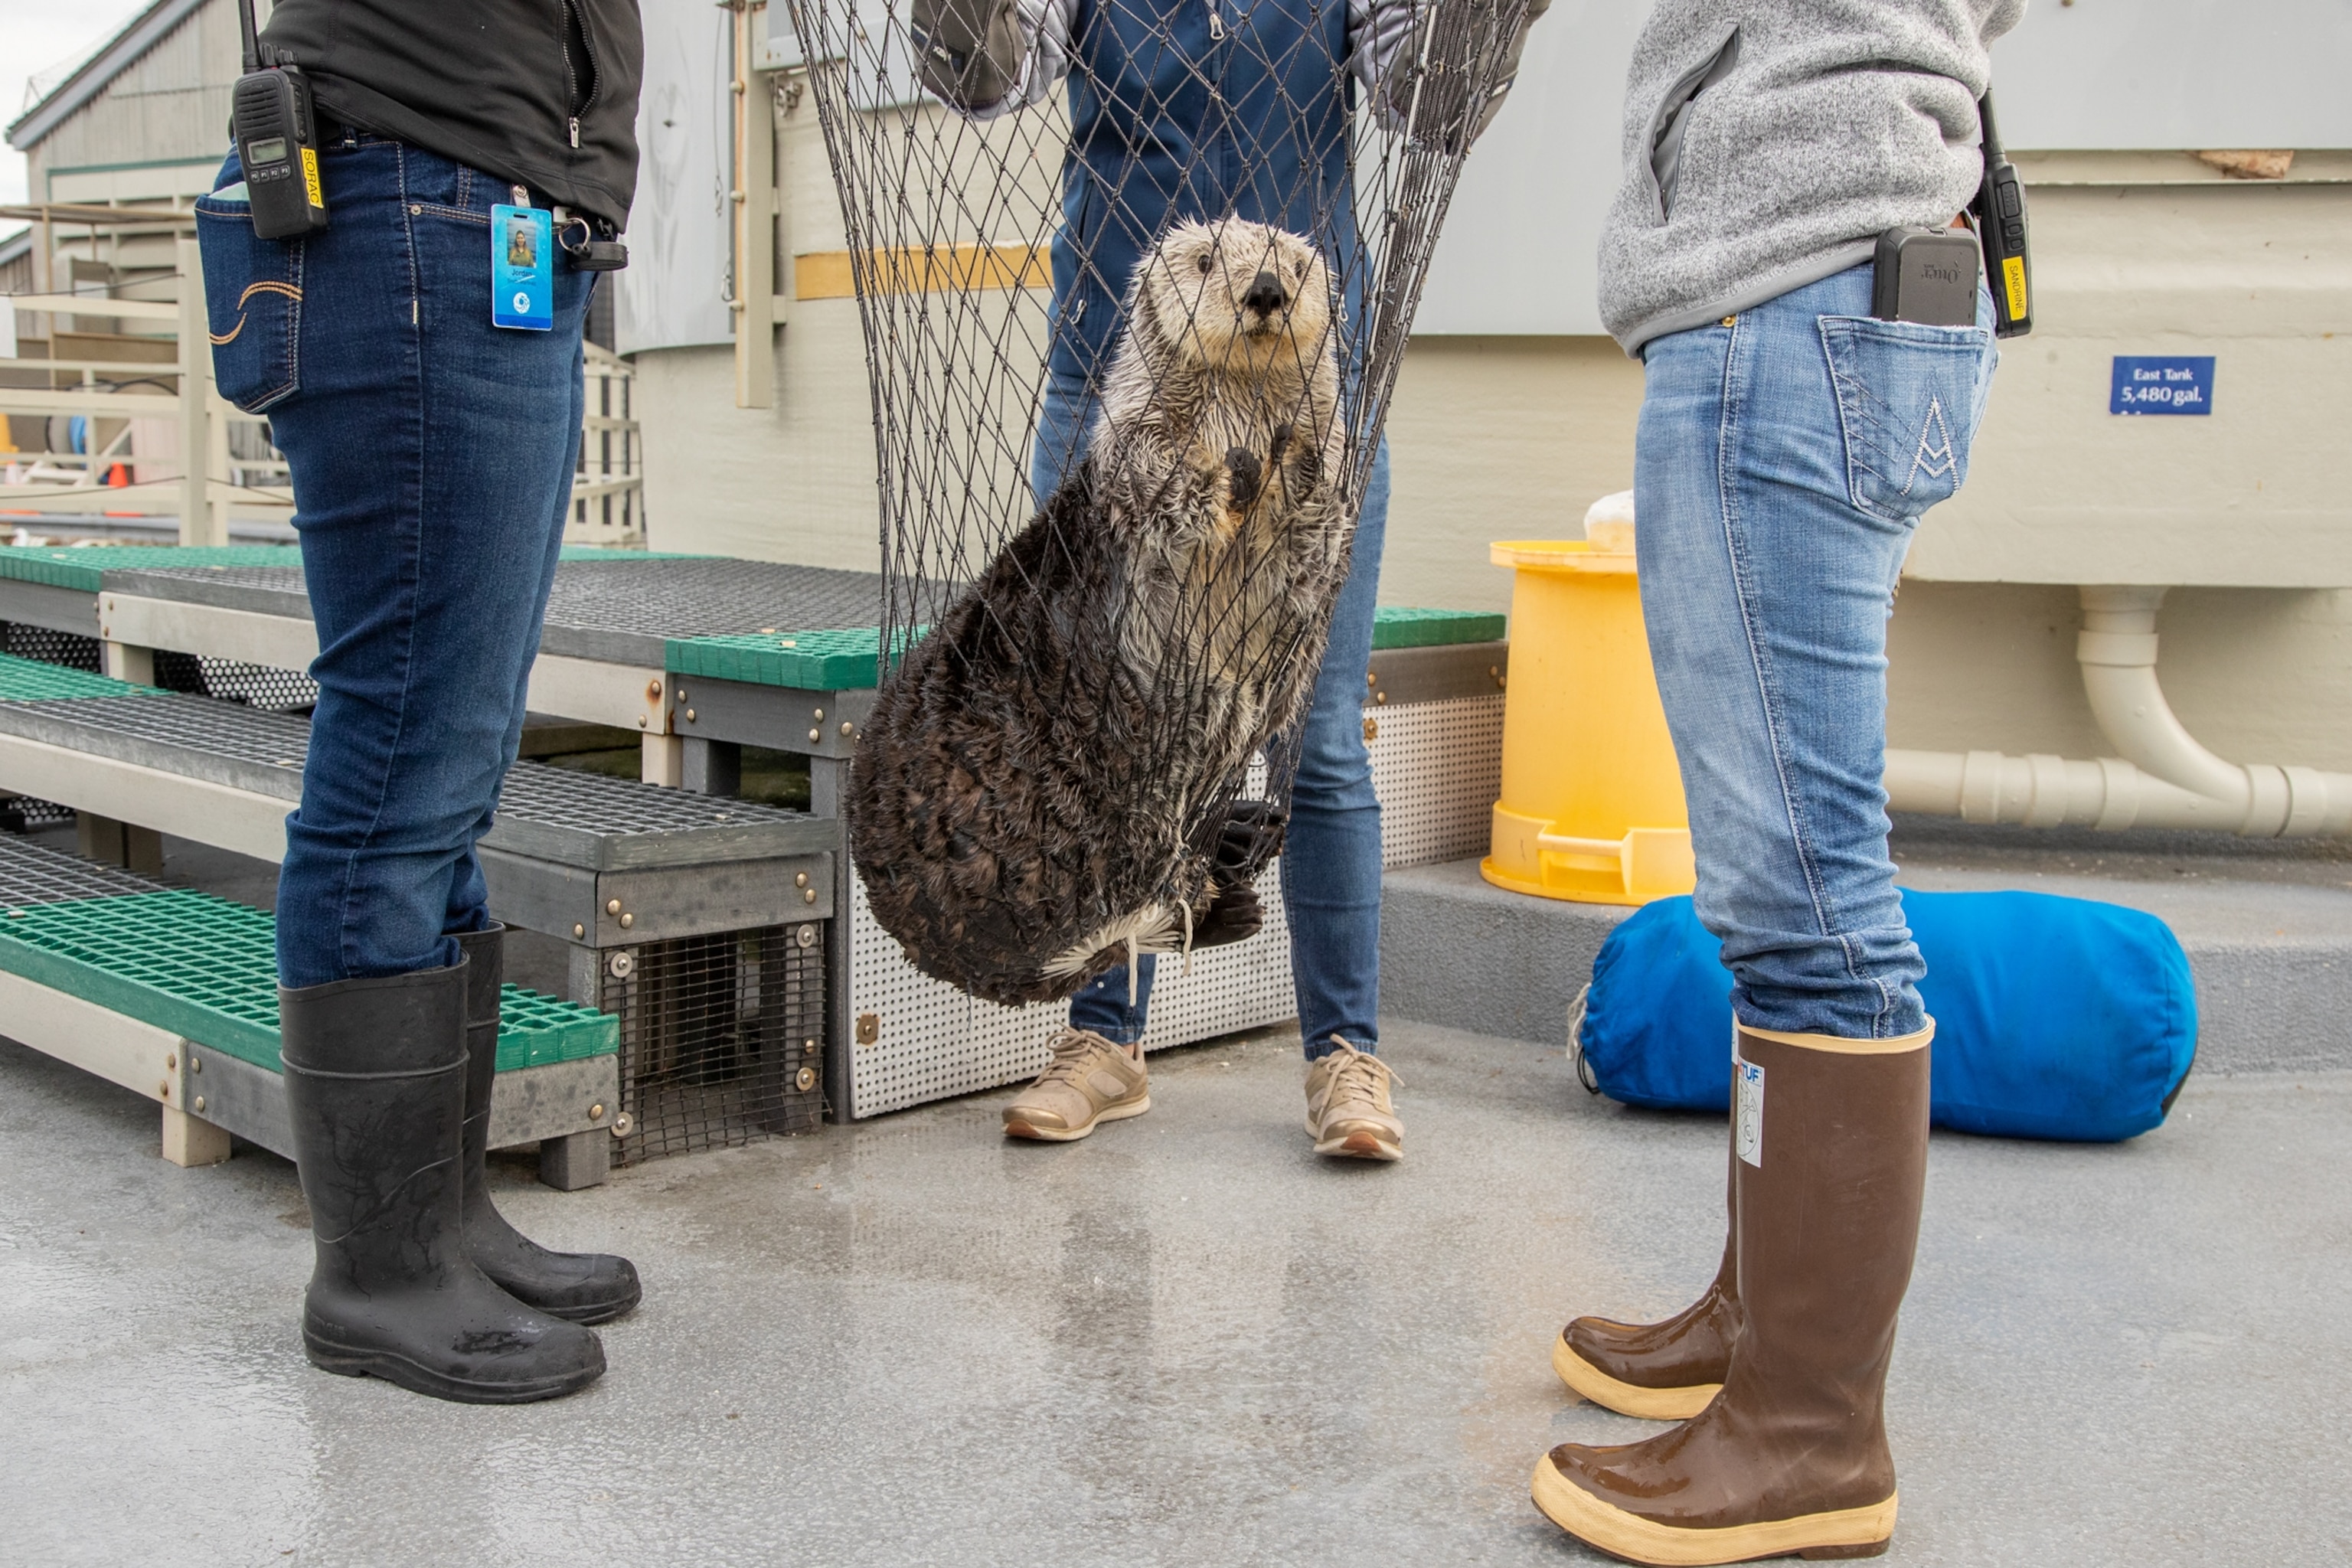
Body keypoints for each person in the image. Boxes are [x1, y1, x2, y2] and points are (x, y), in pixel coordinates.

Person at [1530, 2, 2021, 1561]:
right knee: (1777, 891)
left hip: (1794, 293)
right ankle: (1766, 1323)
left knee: (1806, 896)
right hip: (1842, 282)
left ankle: (1811, 1432)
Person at [910, 0, 1546, 1163]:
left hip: (1307, 404)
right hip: (1115, 387)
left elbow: (1430, 107)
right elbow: (984, 84)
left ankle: (1343, 1057)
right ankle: (1104, 1042)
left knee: (1321, 740)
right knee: (1112, 729)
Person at [194, 0, 645, 1404]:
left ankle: (437, 1221)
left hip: (497, 221)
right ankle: (375, 1274)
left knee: (454, 753)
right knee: (403, 746)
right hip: (412, 202)